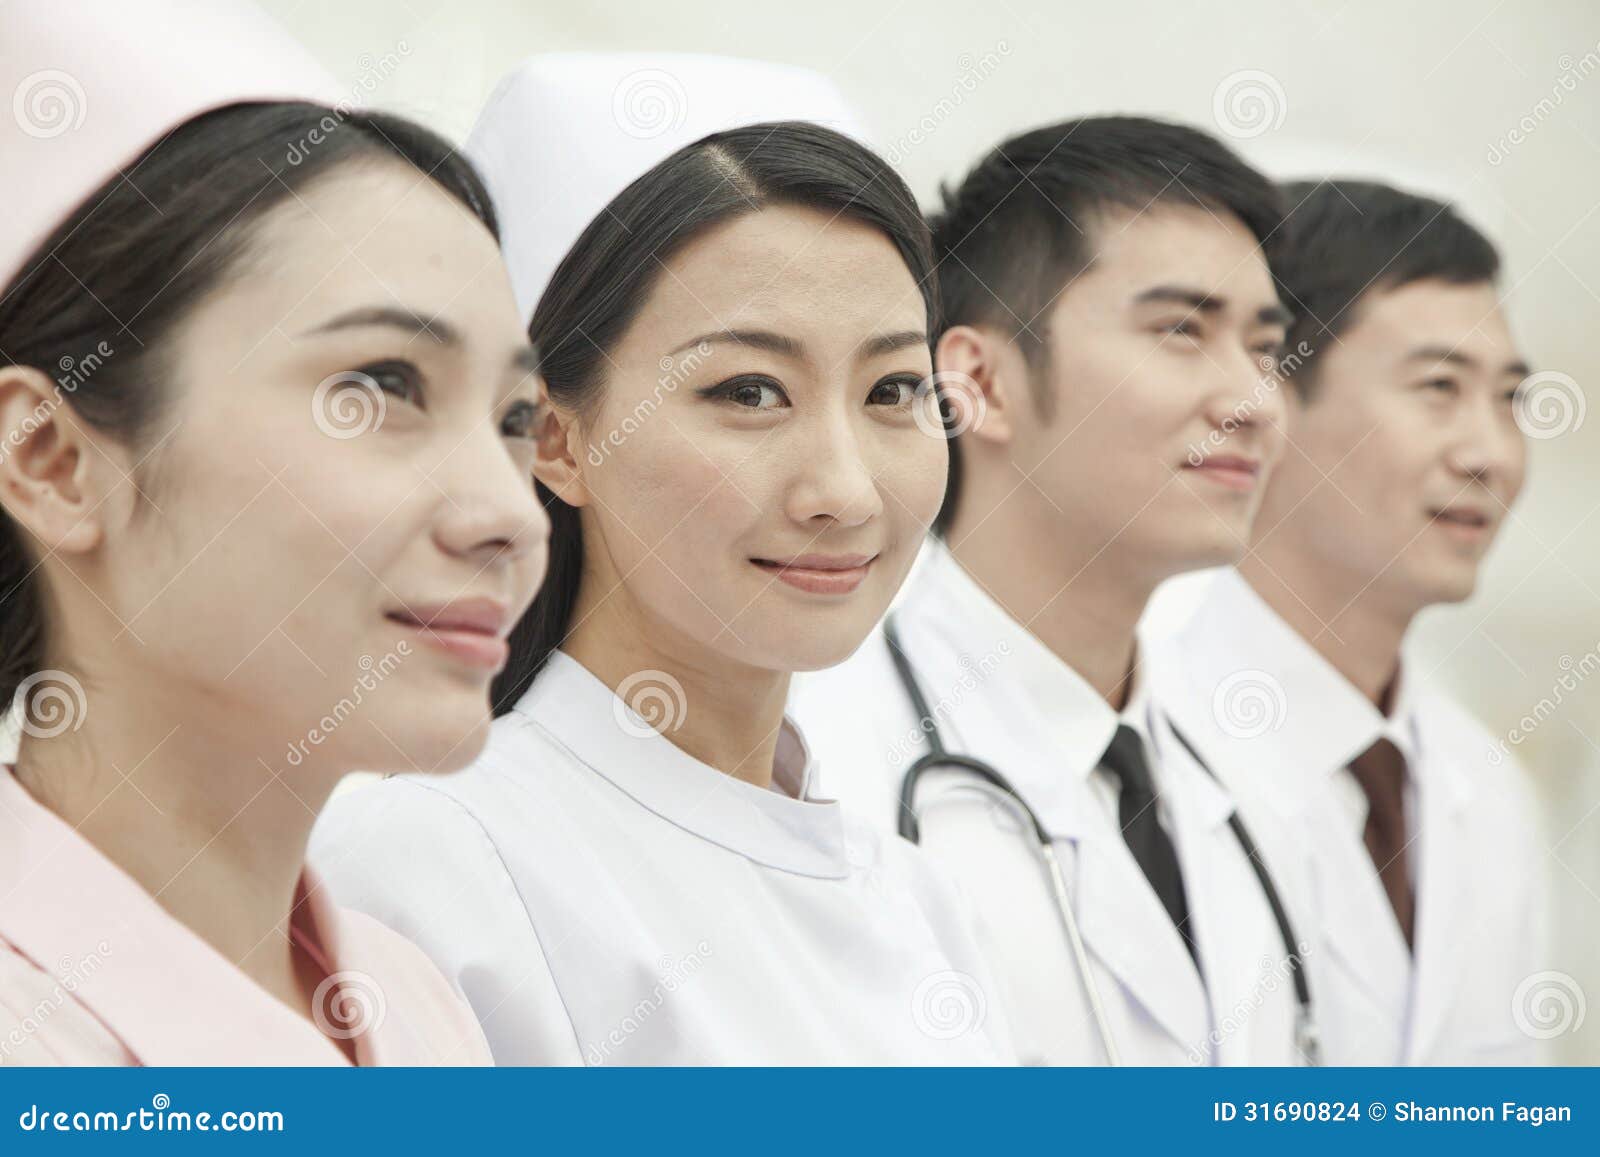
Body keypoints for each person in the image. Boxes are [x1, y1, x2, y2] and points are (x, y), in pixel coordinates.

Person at [312, 55, 1012, 1066]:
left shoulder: (921, 900)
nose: (845, 490)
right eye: (748, 391)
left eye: (893, 389)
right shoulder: (429, 862)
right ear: (552, 437)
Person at [0, 0, 548, 1065]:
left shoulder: (414, 1005)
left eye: (516, 419)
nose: (513, 516)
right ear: (50, 459)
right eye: (382, 384)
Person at [792, 116, 1306, 1065]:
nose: (1255, 401)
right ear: (976, 381)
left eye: (1266, 348)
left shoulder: (1258, 777)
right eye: (1182, 331)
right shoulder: (816, 771)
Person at [1146, 179, 1550, 1064]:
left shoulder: (1486, 788)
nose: (1490, 452)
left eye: (1511, 399)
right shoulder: (1145, 757)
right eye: (1440, 386)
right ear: (1273, 400)